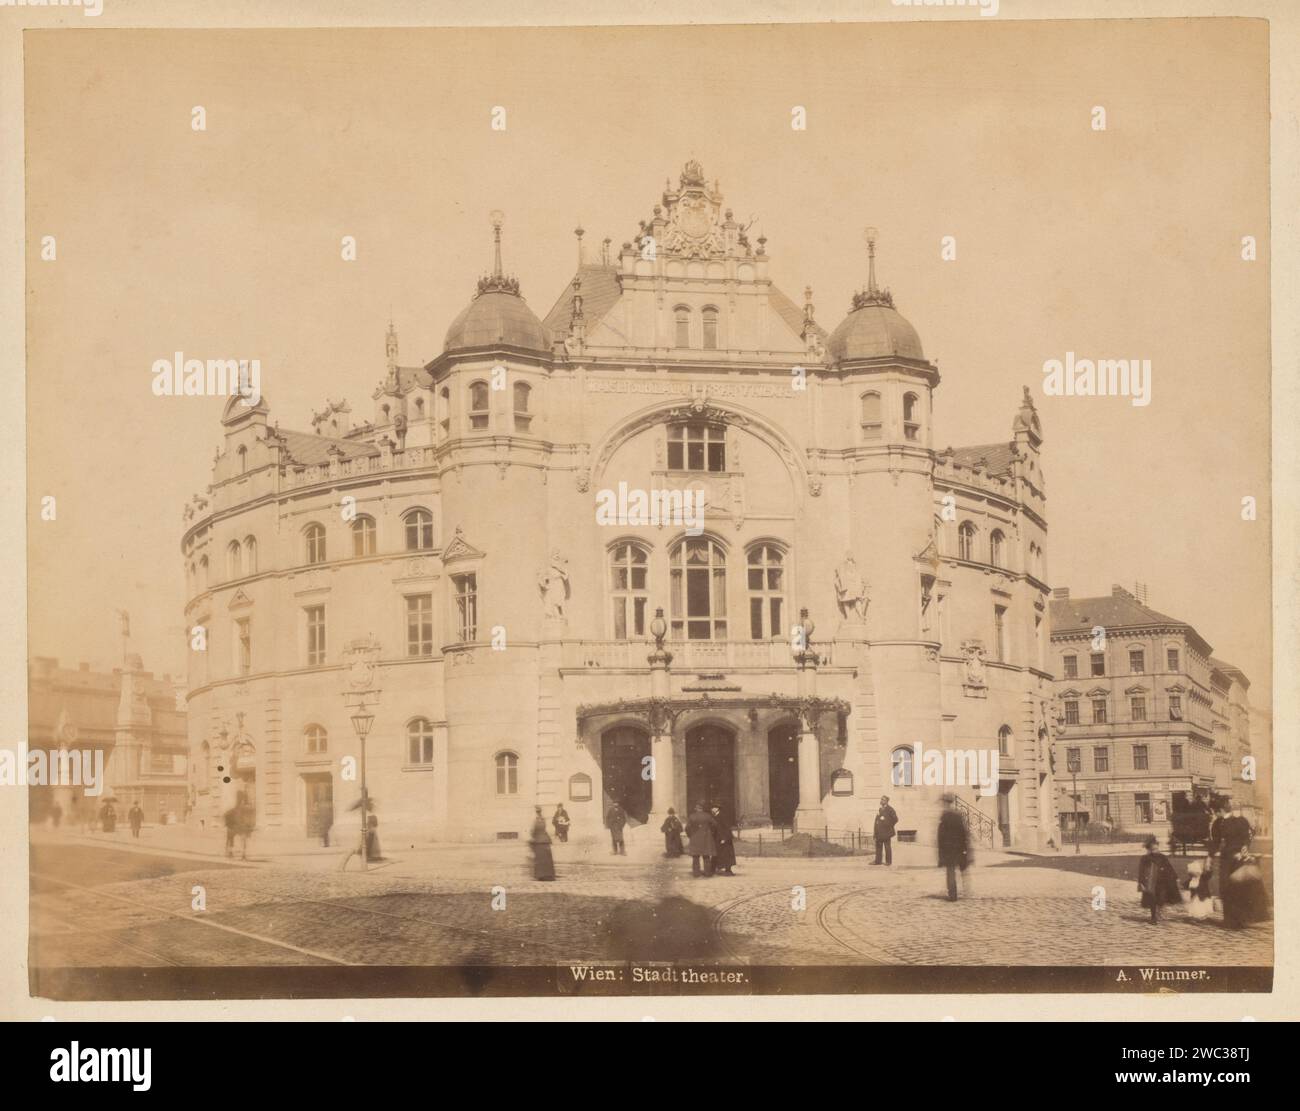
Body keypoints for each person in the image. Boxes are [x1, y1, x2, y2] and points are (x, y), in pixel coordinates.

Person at [1136, 835, 1181, 923]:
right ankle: (1153, 917)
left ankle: (1159, 912)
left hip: (1162, 882)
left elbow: (1169, 868)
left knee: (1161, 899)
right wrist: (1141, 882)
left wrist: (1176, 877)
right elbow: (1141, 871)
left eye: (1157, 848)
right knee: (1152, 899)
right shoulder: (1145, 859)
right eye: (1153, 849)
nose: (1156, 851)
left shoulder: (1162, 857)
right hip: (1151, 883)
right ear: (1149, 849)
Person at [937, 794, 970, 901]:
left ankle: (953, 895)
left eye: (943, 802)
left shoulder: (944, 816)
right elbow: (964, 833)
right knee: (962, 870)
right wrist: (965, 848)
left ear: (946, 803)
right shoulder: (957, 815)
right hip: (958, 848)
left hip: (948, 849)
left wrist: (940, 853)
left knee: (950, 872)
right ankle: (965, 891)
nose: (942, 804)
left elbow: (940, 837)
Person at [686, 802, 716, 877]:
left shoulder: (692, 816)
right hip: (706, 838)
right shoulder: (708, 816)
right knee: (706, 856)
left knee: (695, 857)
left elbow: (687, 828)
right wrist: (711, 832)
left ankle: (696, 873)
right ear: (702, 808)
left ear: (696, 808)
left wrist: (690, 835)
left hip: (695, 838)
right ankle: (707, 873)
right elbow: (715, 824)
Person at [530, 806, 556, 881]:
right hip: (545, 840)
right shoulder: (543, 819)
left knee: (540, 859)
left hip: (539, 841)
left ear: (536, 812)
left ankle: (541, 875)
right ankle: (549, 874)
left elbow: (534, 831)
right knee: (547, 859)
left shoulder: (536, 821)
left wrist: (532, 837)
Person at [1184, 856, 1214, 920]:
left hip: (1202, 890)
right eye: (1207, 862)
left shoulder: (1207, 872)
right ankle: (1197, 914)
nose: (1208, 863)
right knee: (1196, 902)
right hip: (1197, 890)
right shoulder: (1199, 871)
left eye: (1209, 862)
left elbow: (1207, 876)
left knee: (1202, 902)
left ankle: (1201, 914)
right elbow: (1191, 877)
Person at [872, 795, 899, 865]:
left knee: (887, 847)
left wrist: (887, 823)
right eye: (881, 799)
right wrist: (875, 832)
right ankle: (878, 861)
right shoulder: (880, 809)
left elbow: (895, 819)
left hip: (886, 832)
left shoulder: (890, 809)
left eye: (883, 800)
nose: (881, 801)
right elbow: (877, 821)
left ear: (887, 801)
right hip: (879, 832)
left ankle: (888, 862)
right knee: (878, 846)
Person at [711, 805, 736, 876]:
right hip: (718, 838)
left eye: (713, 808)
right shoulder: (715, 816)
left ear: (717, 809)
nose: (711, 809)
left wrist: (724, 838)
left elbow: (727, 827)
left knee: (727, 854)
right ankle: (712, 868)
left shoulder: (722, 816)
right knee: (717, 853)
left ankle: (728, 870)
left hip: (724, 839)